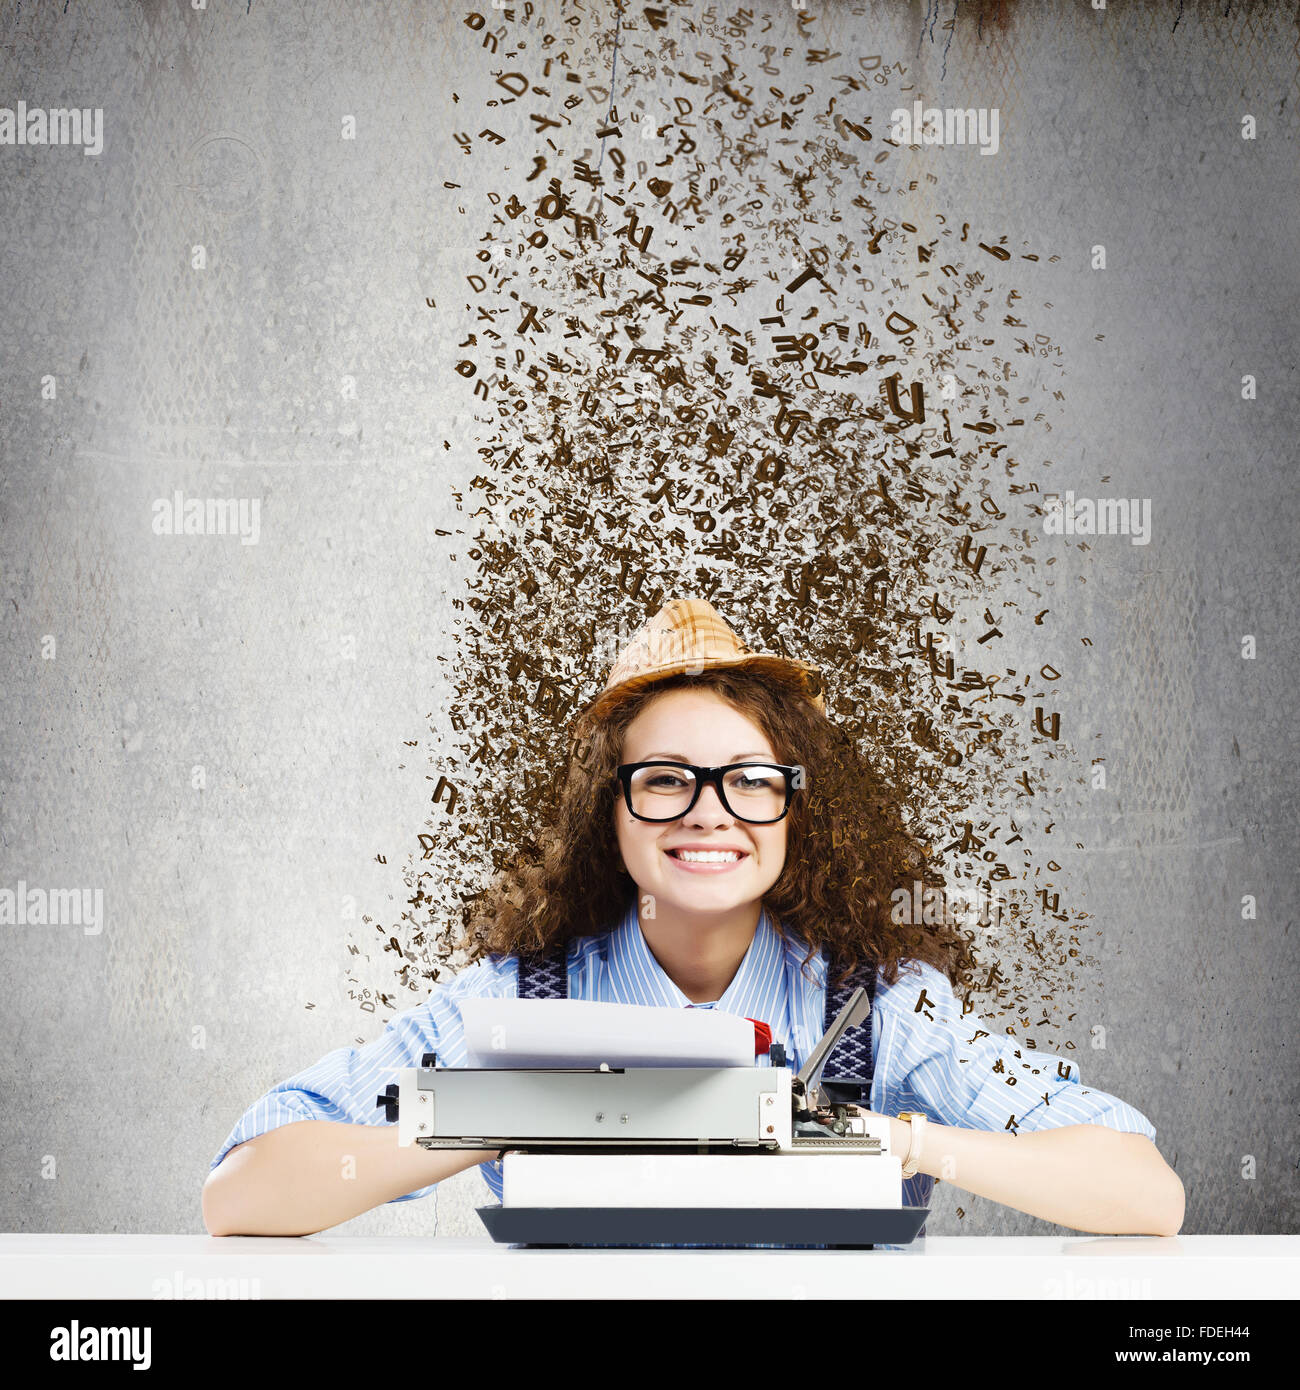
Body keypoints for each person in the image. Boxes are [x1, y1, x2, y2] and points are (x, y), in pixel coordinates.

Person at [202, 598, 1184, 1241]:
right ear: (610, 814)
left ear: (796, 807)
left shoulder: (880, 1010)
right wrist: (509, 1115)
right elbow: (243, 1189)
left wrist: (898, 1140)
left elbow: (1144, 1192)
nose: (709, 810)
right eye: (665, 780)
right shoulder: (507, 1003)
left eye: (749, 780)